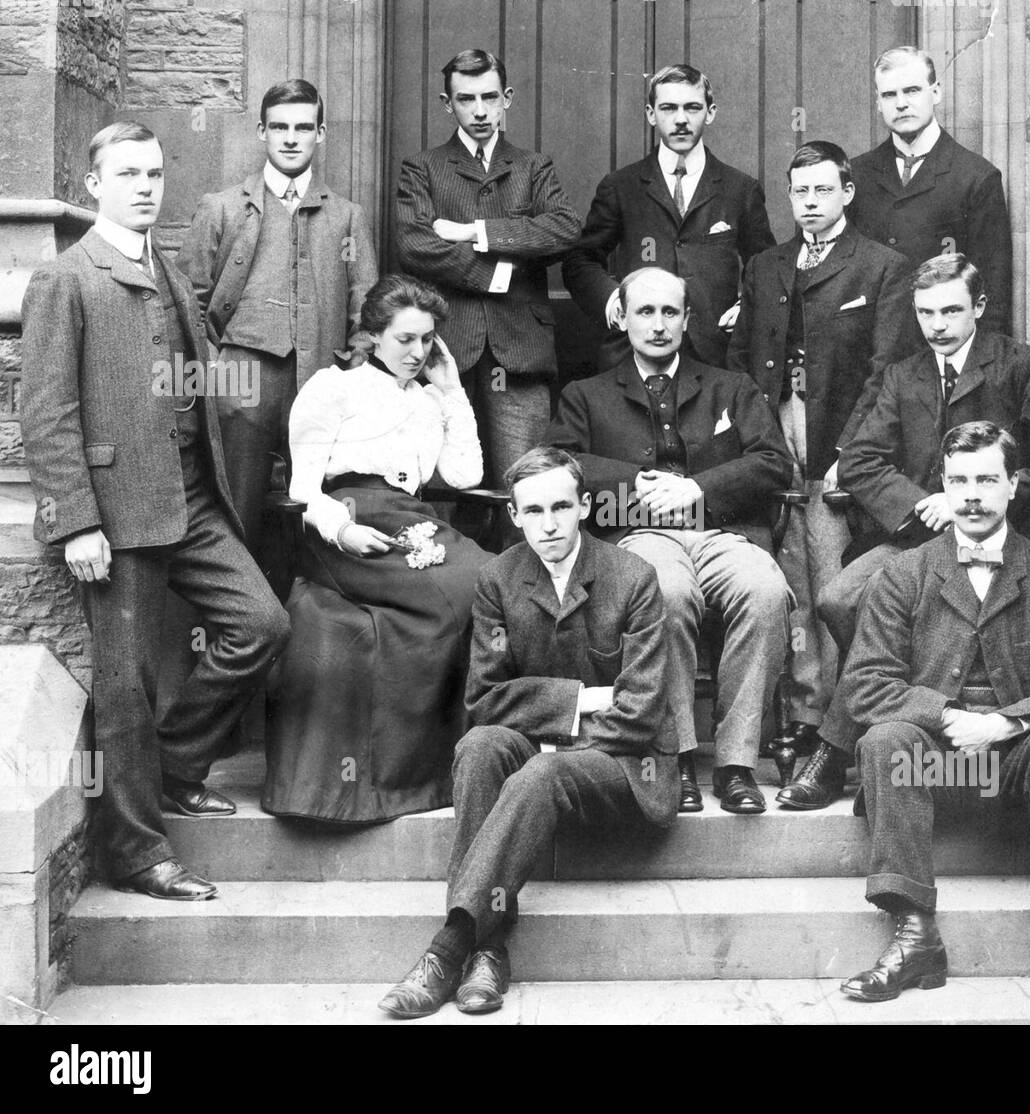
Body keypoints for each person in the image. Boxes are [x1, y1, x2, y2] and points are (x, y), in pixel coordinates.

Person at [20, 123, 290, 900]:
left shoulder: (166, 267)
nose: (146, 186)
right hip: (115, 510)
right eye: (128, 174)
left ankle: (174, 767)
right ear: (91, 183)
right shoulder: (67, 278)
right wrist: (76, 521)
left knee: (262, 625)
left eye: (155, 173)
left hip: (194, 497)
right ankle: (135, 851)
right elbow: (46, 410)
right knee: (125, 685)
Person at [378, 447, 678, 1019]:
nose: (549, 524)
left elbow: (640, 712)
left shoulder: (633, 577)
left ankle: (450, 947)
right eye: (533, 510)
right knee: (481, 745)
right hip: (552, 751)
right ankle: (488, 948)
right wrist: (579, 701)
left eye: (562, 507)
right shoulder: (498, 580)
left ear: (585, 506)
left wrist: (550, 734)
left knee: (541, 768)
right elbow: (485, 700)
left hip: (625, 767)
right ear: (514, 516)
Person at [781, 253, 1030, 809]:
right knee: (839, 598)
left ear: (980, 308)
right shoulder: (904, 374)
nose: (936, 325)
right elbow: (860, 462)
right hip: (919, 538)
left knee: (879, 603)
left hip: (1003, 539)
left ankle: (838, 749)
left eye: (950, 311)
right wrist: (926, 505)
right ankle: (904, 714)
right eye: (924, 313)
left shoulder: (1023, 365)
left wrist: (971, 502)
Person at [838, 422, 1030, 1009]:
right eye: (958, 480)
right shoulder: (903, 573)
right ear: (942, 484)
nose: (971, 495)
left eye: (987, 479)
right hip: (937, 773)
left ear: (1014, 485)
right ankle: (914, 935)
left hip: (1015, 767)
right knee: (886, 740)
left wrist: (1005, 722)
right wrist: (943, 714)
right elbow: (864, 685)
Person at [548, 267, 793, 815]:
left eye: (669, 313)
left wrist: (696, 489)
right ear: (623, 318)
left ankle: (735, 764)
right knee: (667, 591)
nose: (657, 326)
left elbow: (775, 463)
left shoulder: (733, 386)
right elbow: (560, 463)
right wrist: (634, 484)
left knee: (765, 592)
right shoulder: (586, 395)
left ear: (687, 319)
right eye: (645, 312)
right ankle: (678, 755)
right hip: (637, 532)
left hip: (721, 531)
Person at [262, 275, 490, 823]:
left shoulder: (431, 398)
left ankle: (446, 769)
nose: (418, 352)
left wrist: (452, 391)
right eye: (405, 339)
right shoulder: (333, 387)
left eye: (428, 339)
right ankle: (407, 779)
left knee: (492, 583)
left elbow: (465, 474)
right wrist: (342, 529)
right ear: (372, 336)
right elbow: (302, 488)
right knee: (460, 595)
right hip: (344, 525)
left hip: (413, 519)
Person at [728, 140, 915, 771]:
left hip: (840, 435)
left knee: (832, 576)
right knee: (788, 581)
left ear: (846, 193)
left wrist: (850, 454)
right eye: (799, 192)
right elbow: (741, 366)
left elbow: (887, 370)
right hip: (776, 429)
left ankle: (840, 723)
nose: (809, 203)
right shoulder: (766, 266)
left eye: (821, 190)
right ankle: (802, 719)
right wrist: (760, 439)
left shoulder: (882, 266)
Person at [179, 78, 378, 565]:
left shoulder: (347, 217)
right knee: (235, 513)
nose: (291, 138)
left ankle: (307, 626)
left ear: (321, 133)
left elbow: (368, 312)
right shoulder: (222, 207)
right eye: (280, 127)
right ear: (261, 132)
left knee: (319, 515)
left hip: (321, 388)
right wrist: (217, 368)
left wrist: (351, 379)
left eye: (303, 127)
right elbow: (186, 302)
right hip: (240, 388)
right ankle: (239, 623)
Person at [393, 48, 581, 490]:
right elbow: (414, 245)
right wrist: (495, 273)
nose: (479, 111)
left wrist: (469, 231)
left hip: (520, 351)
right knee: (442, 489)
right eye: (465, 99)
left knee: (525, 486)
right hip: (445, 348)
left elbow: (563, 229)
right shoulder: (422, 168)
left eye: (489, 97)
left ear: (507, 98)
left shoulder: (534, 167)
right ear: (447, 103)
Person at [562, 62, 775, 370]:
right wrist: (613, 303)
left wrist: (748, 308)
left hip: (715, 358)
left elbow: (766, 267)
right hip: (632, 356)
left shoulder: (740, 189)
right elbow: (579, 260)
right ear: (651, 114)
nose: (680, 120)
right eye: (668, 108)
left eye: (692, 108)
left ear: (710, 112)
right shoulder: (622, 186)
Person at [847, 46, 1013, 336]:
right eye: (889, 94)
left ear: (935, 93)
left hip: (939, 347)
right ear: (877, 102)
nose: (900, 104)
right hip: (865, 349)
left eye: (911, 91)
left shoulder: (977, 177)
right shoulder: (856, 175)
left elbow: (992, 291)